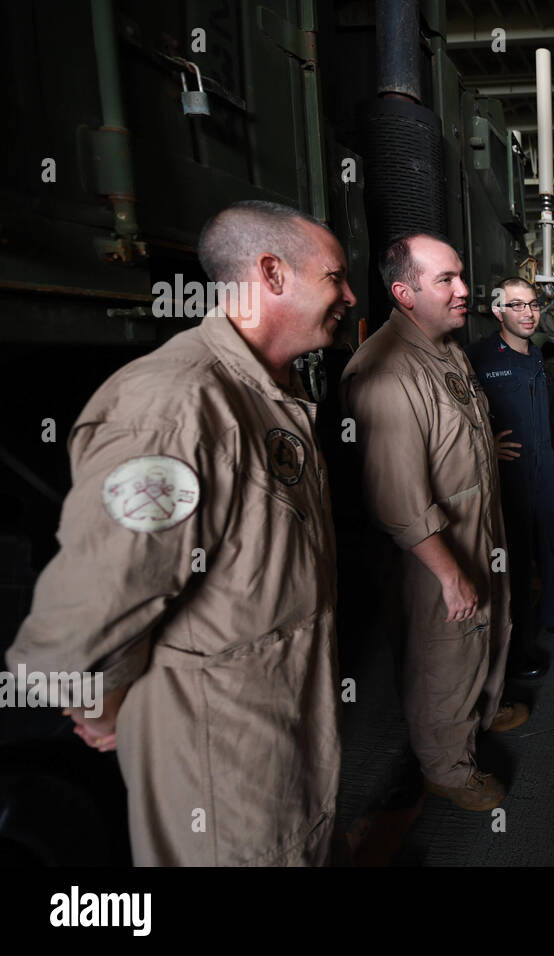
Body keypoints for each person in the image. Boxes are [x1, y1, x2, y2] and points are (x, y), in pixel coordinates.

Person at [6, 199, 354, 865]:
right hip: (217, 753)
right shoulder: (176, 405)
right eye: (334, 277)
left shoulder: (261, 391)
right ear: (271, 275)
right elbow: (91, 601)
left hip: (282, 719)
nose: (348, 294)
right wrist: (99, 706)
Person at [340, 233, 524, 813]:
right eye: (446, 280)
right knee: (443, 651)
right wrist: (448, 574)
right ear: (405, 292)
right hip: (434, 548)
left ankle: (485, 708)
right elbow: (398, 502)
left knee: (492, 624)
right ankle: (447, 765)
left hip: (478, 527)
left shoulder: (444, 347)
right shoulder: (387, 373)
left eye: (460, 276)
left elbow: (444, 430)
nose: (464, 290)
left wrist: (479, 447)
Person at [467, 277, 554, 683]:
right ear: (497, 312)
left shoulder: (538, 356)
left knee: (552, 542)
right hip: (511, 473)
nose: (527, 313)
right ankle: (517, 643)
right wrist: (482, 442)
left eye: (532, 305)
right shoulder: (478, 358)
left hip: (545, 466)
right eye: (516, 305)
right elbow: (452, 415)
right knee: (514, 559)